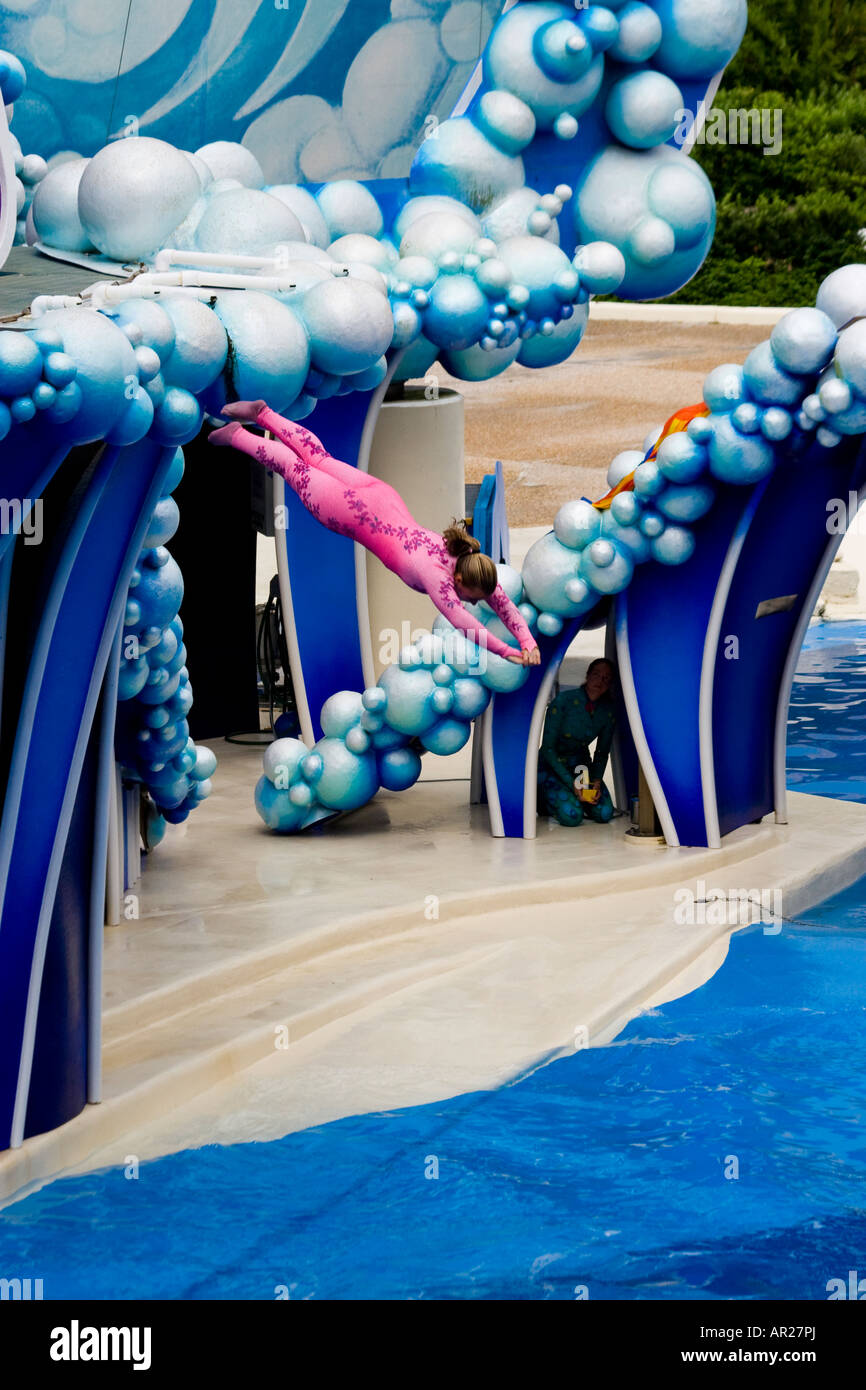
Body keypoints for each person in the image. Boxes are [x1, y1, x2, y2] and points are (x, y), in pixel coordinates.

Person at [210, 402, 541, 667]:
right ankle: (238, 435)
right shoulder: (437, 578)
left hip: (381, 495)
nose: (472, 601)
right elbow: (464, 623)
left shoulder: (468, 558)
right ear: (457, 581)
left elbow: (500, 600)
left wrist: (528, 642)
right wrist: (509, 652)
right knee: (294, 468)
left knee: (317, 458)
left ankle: (264, 414)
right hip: (346, 510)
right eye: (471, 596)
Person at [538, 657, 617, 826]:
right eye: (596, 675)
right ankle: (545, 799)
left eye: (606, 678)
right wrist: (572, 785)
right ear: (587, 676)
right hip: (553, 766)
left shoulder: (608, 712)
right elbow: (547, 749)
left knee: (604, 813)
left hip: (580, 767)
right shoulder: (563, 702)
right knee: (572, 816)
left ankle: (578, 798)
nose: (600, 681)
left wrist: (595, 782)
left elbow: (602, 752)